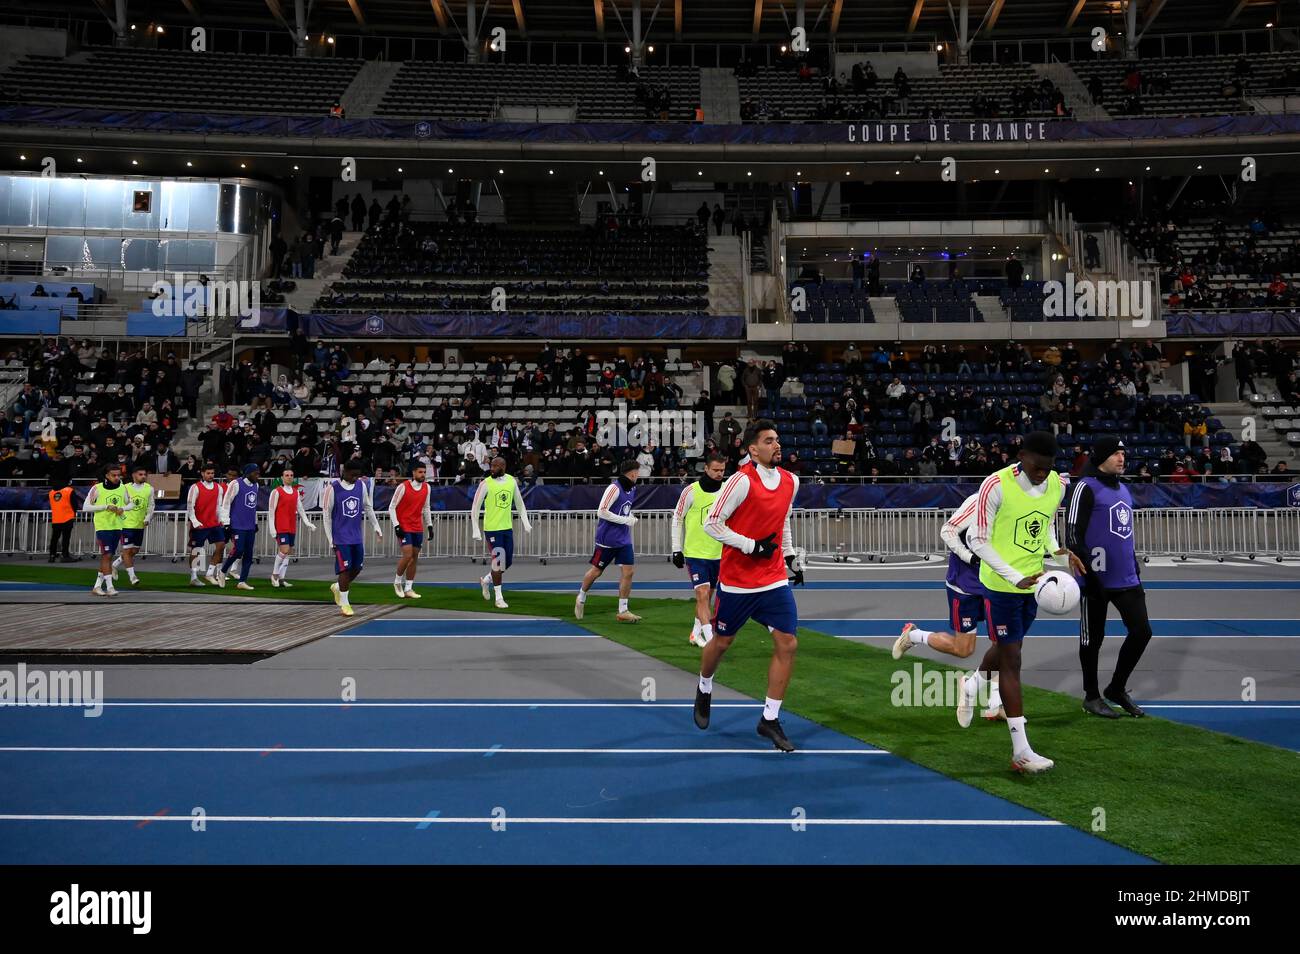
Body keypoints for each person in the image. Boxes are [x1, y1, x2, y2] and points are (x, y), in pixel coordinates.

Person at [963, 431, 1086, 774]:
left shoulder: (1058, 486)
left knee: (1008, 647)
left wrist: (1060, 554)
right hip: (1001, 585)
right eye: (1036, 466)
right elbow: (976, 539)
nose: (1041, 473)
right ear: (1021, 455)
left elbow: (1044, 527)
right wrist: (1011, 575)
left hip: (1034, 584)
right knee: (1012, 659)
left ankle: (972, 682)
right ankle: (1021, 750)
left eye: (1048, 468)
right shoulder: (996, 485)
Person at [699, 419, 805, 752]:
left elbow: (782, 520)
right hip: (738, 582)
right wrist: (751, 545)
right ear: (752, 449)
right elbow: (711, 523)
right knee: (722, 642)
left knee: (787, 644)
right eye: (769, 441)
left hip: (773, 580)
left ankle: (769, 719)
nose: (777, 445)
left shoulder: (791, 481)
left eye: (778, 439)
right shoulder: (740, 482)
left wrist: (787, 556)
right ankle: (704, 685)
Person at [893, 492, 1006, 720]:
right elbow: (948, 530)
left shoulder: (1020, 504)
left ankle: (996, 703)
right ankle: (914, 636)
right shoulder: (980, 501)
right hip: (965, 584)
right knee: (963, 649)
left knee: (1003, 642)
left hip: (997, 583)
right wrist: (970, 557)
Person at [1065, 437, 1150, 719]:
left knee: (1142, 632)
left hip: (1127, 578)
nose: (1121, 458)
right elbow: (1073, 534)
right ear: (1101, 456)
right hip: (1096, 581)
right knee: (1093, 640)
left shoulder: (1124, 488)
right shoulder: (1085, 487)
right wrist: (1087, 577)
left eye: (1123, 453)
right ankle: (1091, 696)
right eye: (1115, 453)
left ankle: (1116, 688)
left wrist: (1134, 567)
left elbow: (1125, 535)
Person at [575, 459, 642, 623]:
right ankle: (581, 597)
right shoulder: (614, 488)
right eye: (638, 472)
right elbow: (602, 511)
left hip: (623, 538)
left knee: (629, 572)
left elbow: (624, 509)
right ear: (632, 472)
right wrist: (624, 520)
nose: (638, 475)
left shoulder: (632, 488)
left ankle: (623, 610)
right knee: (597, 571)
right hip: (607, 539)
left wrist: (628, 517)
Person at [671, 452, 727, 648]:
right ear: (706, 469)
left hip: (719, 553)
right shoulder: (691, 491)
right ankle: (711, 639)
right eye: (715, 470)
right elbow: (677, 518)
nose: (719, 474)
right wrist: (676, 549)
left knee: (708, 596)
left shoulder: (727, 491)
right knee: (702, 594)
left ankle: (695, 633)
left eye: (722, 470)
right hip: (695, 553)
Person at [470, 455, 533, 609]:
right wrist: (475, 529)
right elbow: (475, 508)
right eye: (491, 466)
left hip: (506, 528)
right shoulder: (485, 483)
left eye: (495, 466)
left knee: (507, 562)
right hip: (491, 529)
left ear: (503, 467)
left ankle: (486, 580)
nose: (491, 469)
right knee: (498, 562)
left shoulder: (511, 481)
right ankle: (499, 597)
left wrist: (526, 522)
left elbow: (519, 503)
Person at [322, 460, 382, 617]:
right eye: (353, 475)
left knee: (357, 568)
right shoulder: (332, 489)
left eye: (358, 475)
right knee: (345, 570)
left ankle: (337, 587)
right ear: (344, 472)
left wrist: (376, 526)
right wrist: (330, 539)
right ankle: (345, 603)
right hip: (340, 538)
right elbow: (326, 516)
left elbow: (367, 507)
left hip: (356, 536)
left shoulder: (361, 486)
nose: (356, 478)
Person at [82, 463, 131, 596]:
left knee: (108, 557)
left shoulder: (122, 488)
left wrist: (123, 509)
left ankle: (97, 586)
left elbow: (130, 503)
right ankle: (110, 587)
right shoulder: (96, 488)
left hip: (117, 526)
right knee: (107, 555)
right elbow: (85, 507)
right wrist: (105, 507)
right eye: (113, 475)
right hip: (103, 526)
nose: (116, 478)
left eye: (118, 475)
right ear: (106, 475)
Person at [387, 461, 433, 600]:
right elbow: (391, 507)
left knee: (414, 557)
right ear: (413, 473)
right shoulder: (403, 487)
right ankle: (397, 582)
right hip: (404, 526)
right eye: (420, 472)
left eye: (424, 472)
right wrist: (396, 525)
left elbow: (426, 507)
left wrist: (429, 525)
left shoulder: (427, 488)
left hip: (417, 527)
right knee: (407, 555)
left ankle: (409, 588)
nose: (423, 475)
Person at [267, 467, 314, 588]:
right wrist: (272, 528)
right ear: (282, 478)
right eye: (287, 475)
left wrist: (307, 522)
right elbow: (271, 511)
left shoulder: (295, 492)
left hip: (292, 526)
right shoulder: (276, 492)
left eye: (291, 475)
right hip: (281, 526)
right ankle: (275, 575)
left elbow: (300, 509)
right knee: (284, 550)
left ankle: (282, 578)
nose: (289, 477)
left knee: (288, 553)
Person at [219, 463, 262, 590]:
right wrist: (226, 523)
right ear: (248, 473)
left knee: (248, 554)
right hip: (237, 524)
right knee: (238, 550)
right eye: (255, 473)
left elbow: (253, 507)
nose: (258, 475)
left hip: (250, 525)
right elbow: (226, 503)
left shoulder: (256, 485)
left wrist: (255, 522)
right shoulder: (236, 484)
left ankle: (242, 581)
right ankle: (222, 571)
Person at [111, 464, 154, 588]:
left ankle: (115, 564)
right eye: (140, 474)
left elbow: (151, 506)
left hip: (140, 525)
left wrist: (147, 518)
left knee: (134, 551)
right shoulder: (125, 488)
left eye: (145, 474)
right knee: (127, 551)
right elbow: (119, 506)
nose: (143, 476)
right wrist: (122, 519)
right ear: (133, 475)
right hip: (126, 525)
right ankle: (132, 576)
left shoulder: (149, 489)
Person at [186, 462, 227, 587]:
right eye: (208, 473)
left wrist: (221, 519)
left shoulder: (218, 488)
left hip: (214, 523)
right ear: (202, 474)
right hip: (200, 525)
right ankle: (193, 577)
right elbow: (190, 506)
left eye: (212, 473)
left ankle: (209, 573)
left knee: (221, 545)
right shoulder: (195, 487)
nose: (210, 475)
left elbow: (219, 506)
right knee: (197, 550)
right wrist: (195, 521)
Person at [47, 478, 76, 563]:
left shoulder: (51, 492)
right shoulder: (69, 490)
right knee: (65, 538)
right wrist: (74, 514)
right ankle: (65, 555)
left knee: (54, 538)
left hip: (56, 518)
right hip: (67, 517)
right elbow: (74, 504)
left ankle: (52, 555)